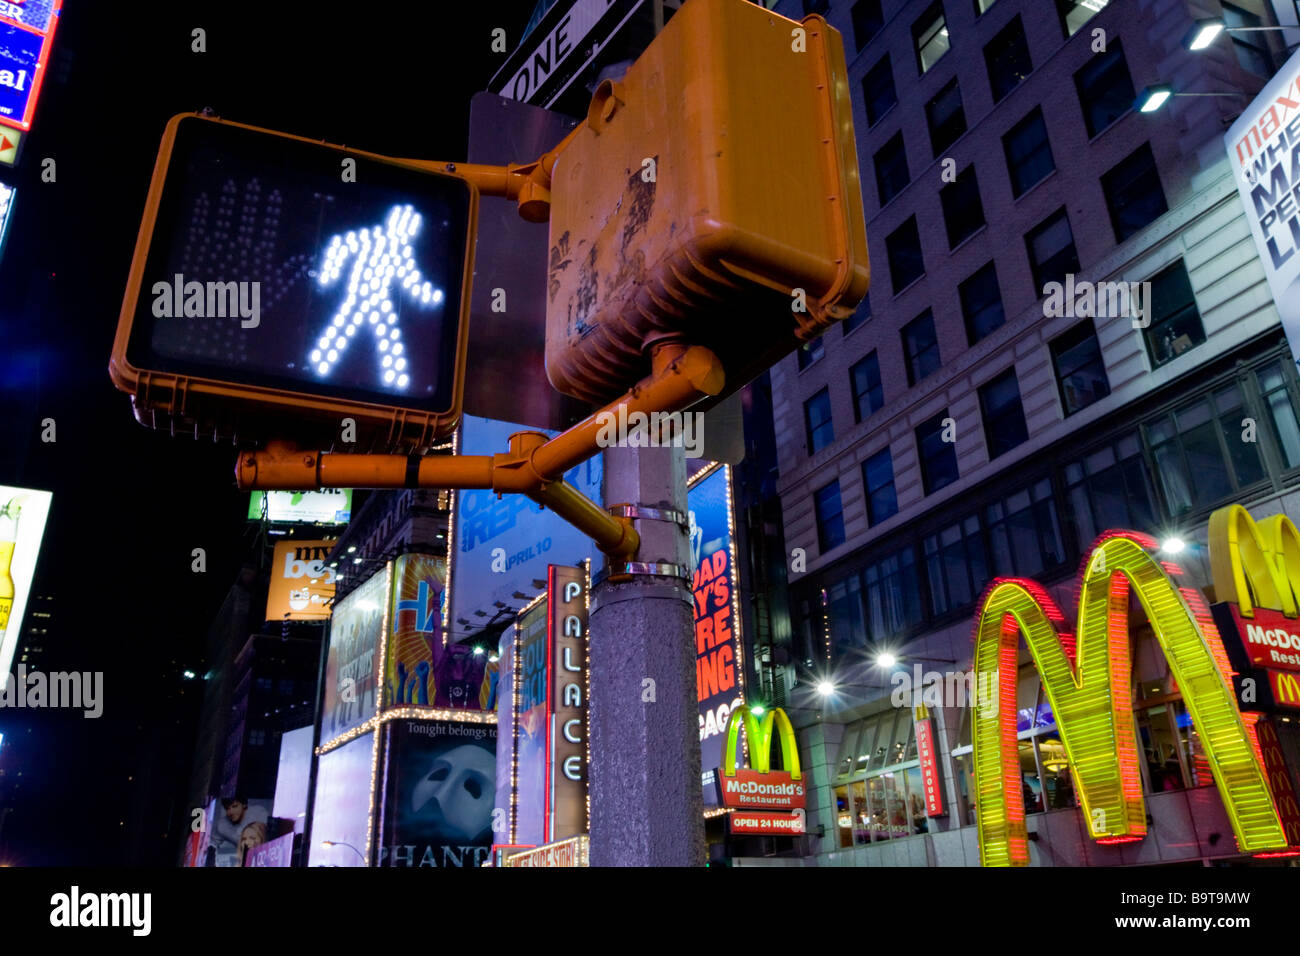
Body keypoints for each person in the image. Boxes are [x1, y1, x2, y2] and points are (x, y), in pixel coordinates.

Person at [211, 796, 269, 866]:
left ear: (244, 805)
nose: (230, 812)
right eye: (227, 808)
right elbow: (210, 845)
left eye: (234, 806)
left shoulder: (258, 812)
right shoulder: (222, 825)